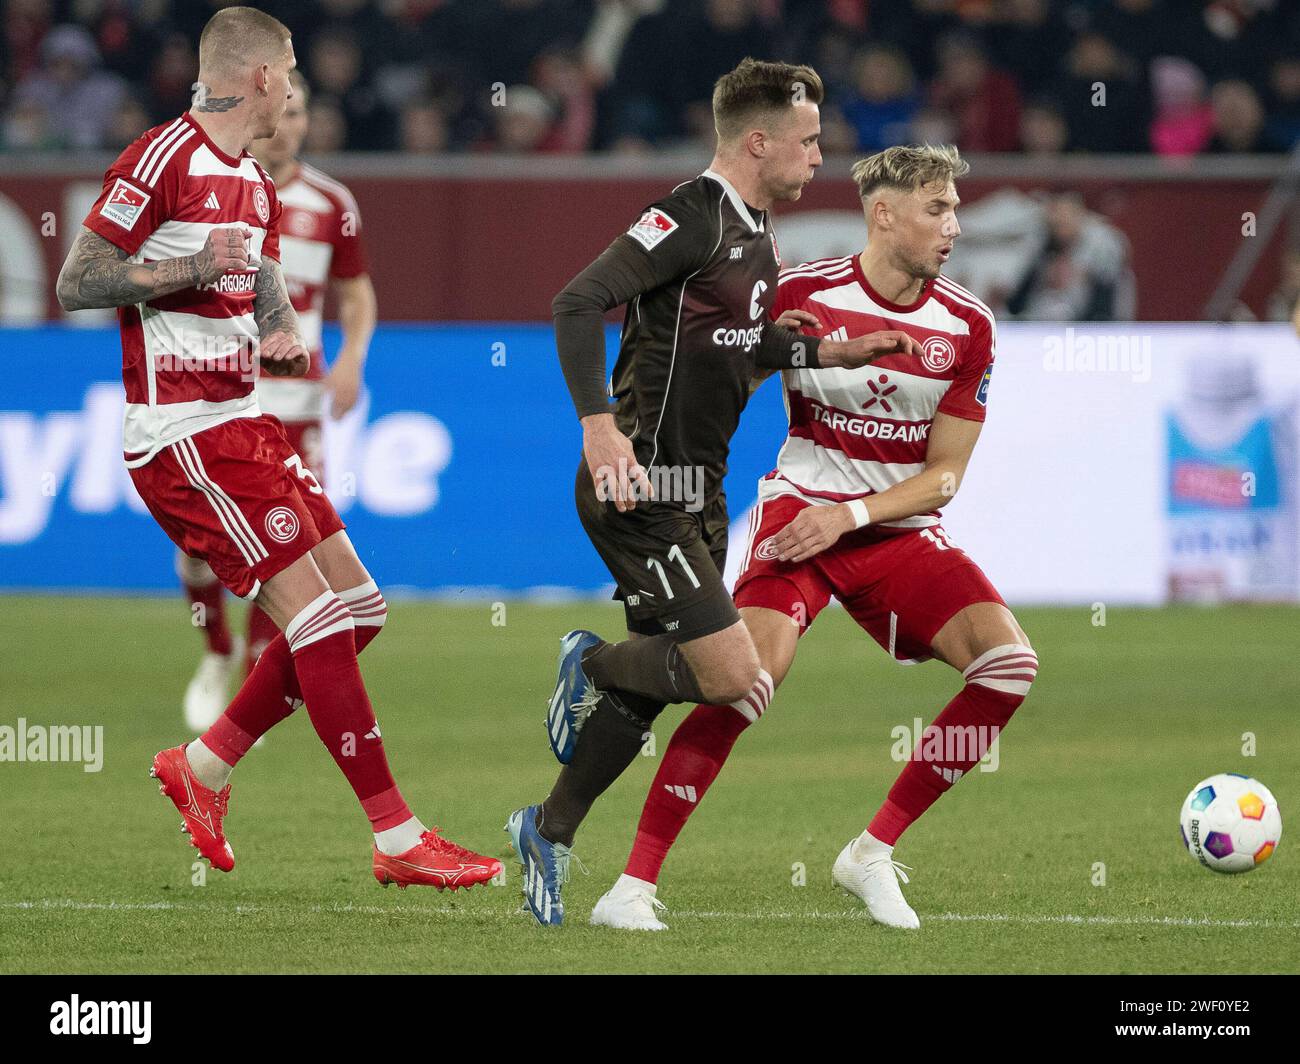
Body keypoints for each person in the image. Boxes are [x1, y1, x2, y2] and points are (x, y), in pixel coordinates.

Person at [55, 6, 499, 891]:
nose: (296, 91)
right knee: (318, 618)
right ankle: (399, 838)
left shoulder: (253, 181)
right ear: (259, 77)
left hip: (246, 418)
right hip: (182, 433)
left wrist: (283, 325)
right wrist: (183, 267)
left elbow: (254, 272)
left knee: (361, 607)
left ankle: (205, 765)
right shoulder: (161, 158)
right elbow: (79, 279)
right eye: (289, 74)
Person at [508, 57, 923, 926]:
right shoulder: (689, 215)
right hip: (641, 485)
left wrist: (817, 352)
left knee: (658, 686)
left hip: (698, 493)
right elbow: (577, 302)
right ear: (758, 140)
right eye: (808, 142)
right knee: (735, 675)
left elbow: (728, 341)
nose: (821, 157)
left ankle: (548, 829)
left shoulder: (758, 233)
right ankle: (586, 663)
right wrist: (597, 423)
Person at [591, 145, 1038, 931]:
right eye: (937, 209)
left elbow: (943, 479)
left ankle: (870, 854)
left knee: (1007, 667)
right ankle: (631, 888)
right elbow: (710, 377)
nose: (954, 227)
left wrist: (856, 515)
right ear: (884, 213)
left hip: (894, 532)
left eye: (955, 209)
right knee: (745, 684)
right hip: (799, 519)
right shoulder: (801, 292)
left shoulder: (967, 325)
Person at [178, 68, 377, 728]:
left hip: (294, 403)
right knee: (198, 550)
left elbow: (355, 291)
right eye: (281, 112)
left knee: (287, 551)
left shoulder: (331, 202)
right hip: (216, 398)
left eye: (300, 115)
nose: (288, 126)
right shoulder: (212, 190)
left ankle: (249, 686)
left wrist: (351, 359)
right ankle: (215, 650)